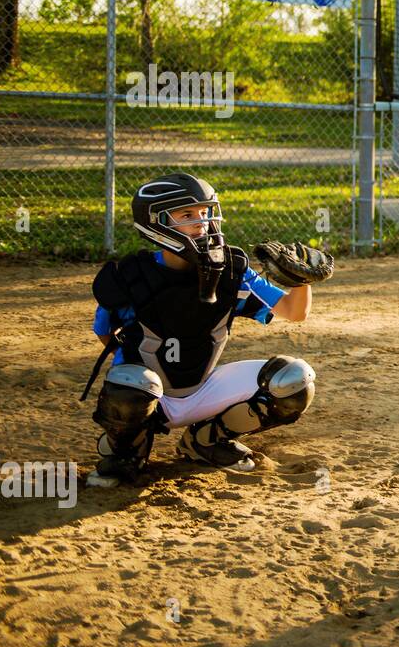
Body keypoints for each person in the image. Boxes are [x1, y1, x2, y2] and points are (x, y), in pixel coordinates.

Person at [81, 172, 332, 488]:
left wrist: (300, 280)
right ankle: (125, 450)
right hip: (152, 398)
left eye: (205, 212)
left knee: (294, 380)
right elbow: (104, 331)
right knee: (130, 382)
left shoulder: (232, 270)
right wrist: (132, 369)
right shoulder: (130, 276)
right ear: (155, 221)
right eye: (187, 215)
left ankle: (205, 440)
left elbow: (295, 313)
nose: (201, 222)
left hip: (204, 389)